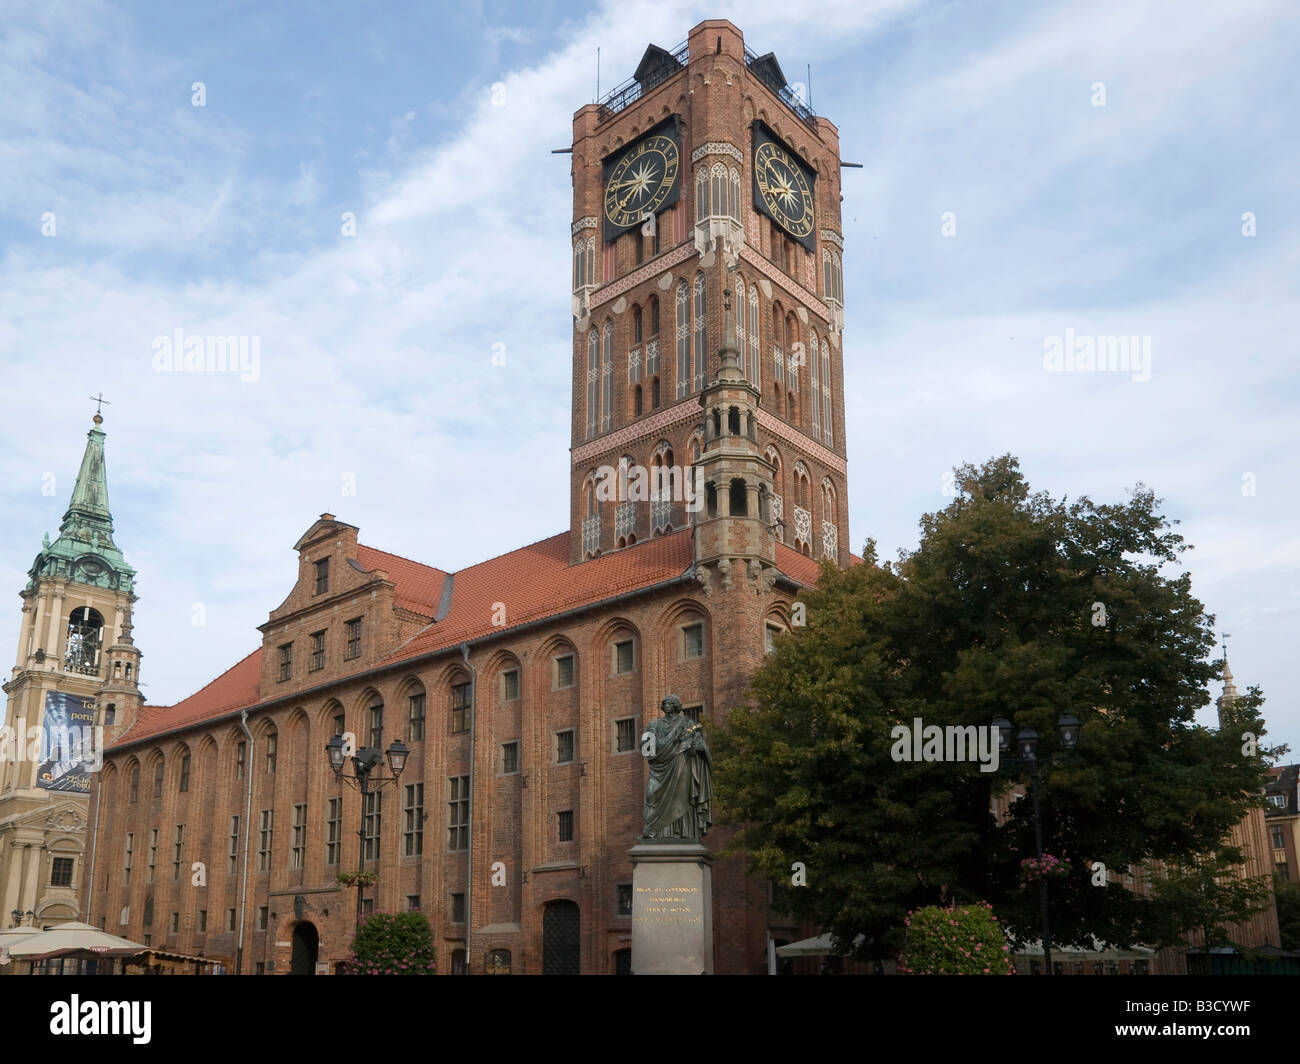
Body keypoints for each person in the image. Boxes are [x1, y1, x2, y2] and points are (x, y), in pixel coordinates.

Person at [640, 694, 713, 840]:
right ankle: (653, 830)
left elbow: (699, 744)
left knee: (682, 797)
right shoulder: (654, 725)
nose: (665, 705)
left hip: (682, 763)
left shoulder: (687, 723)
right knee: (651, 794)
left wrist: (697, 748)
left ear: (675, 706)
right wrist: (669, 741)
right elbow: (646, 749)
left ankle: (683, 832)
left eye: (668, 703)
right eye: (664, 703)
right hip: (660, 768)